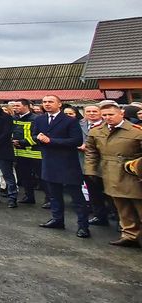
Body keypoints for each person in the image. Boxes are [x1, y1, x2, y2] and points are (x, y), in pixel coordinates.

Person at [84, 101, 142, 248]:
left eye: (111, 114)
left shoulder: (136, 131)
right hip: (110, 174)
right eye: (104, 115)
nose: (107, 117)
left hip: (133, 174)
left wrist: (137, 166)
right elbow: (91, 152)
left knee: (139, 205)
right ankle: (129, 235)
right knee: (122, 207)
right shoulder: (96, 131)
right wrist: (90, 171)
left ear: (121, 113)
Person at [33, 95, 90, 238]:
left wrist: (51, 141)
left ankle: (83, 226)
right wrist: (38, 139)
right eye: (44, 102)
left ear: (59, 104)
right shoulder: (39, 119)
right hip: (48, 161)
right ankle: (57, 219)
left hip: (67, 163)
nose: (47, 104)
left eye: (50, 102)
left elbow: (76, 141)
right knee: (54, 195)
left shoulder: (69, 121)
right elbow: (35, 135)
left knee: (76, 197)